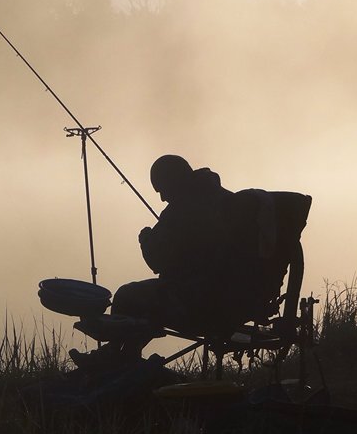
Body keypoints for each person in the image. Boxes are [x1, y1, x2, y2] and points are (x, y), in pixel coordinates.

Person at [72, 155, 264, 368]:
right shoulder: (229, 201)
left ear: (175, 181)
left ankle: (117, 358)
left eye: (162, 189)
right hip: (236, 301)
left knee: (128, 296)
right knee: (150, 299)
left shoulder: (181, 209)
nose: (163, 198)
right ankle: (123, 357)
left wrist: (145, 238)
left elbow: (158, 261)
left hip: (199, 303)